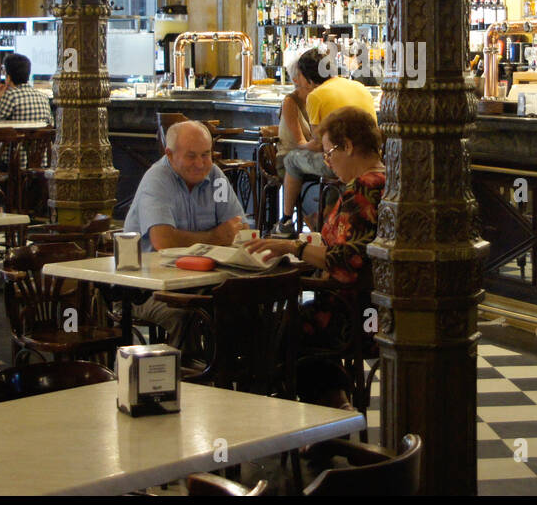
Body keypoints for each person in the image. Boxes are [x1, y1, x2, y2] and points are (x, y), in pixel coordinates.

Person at [246, 106, 385, 408]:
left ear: (348, 146)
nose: (328, 162)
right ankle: (332, 406)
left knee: (273, 332)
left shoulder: (363, 192)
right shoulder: (385, 182)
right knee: (284, 327)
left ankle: (320, 412)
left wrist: (292, 248)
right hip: (375, 311)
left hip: (353, 317)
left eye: (329, 152)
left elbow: (347, 263)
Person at [122, 120, 246, 347]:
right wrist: (216, 237)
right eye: (191, 156)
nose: (200, 164)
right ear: (169, 155)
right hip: (149, 289)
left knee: (244, 306)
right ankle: (183, 376)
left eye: (206, 154)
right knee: (188, 316)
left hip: (200, 283)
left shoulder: (215, 178)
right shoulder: (158, 180)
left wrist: (221, 234)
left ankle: (228, 376)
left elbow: (238, 226)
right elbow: (164, 241)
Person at [276, 47, 377, 235]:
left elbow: (319, 144)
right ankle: (323, 219)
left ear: (306, 79)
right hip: (373, 160)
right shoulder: (359, 87)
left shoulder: (316, 95)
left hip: (344, 162)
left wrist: (299, 146)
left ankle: (286, 221)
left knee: (291, 159)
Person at [0, 52, 52, 125]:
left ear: (8, 78)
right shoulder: (43, 97)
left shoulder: (10, 96)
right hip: (41, 136)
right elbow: (50, 122)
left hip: (18, 136)